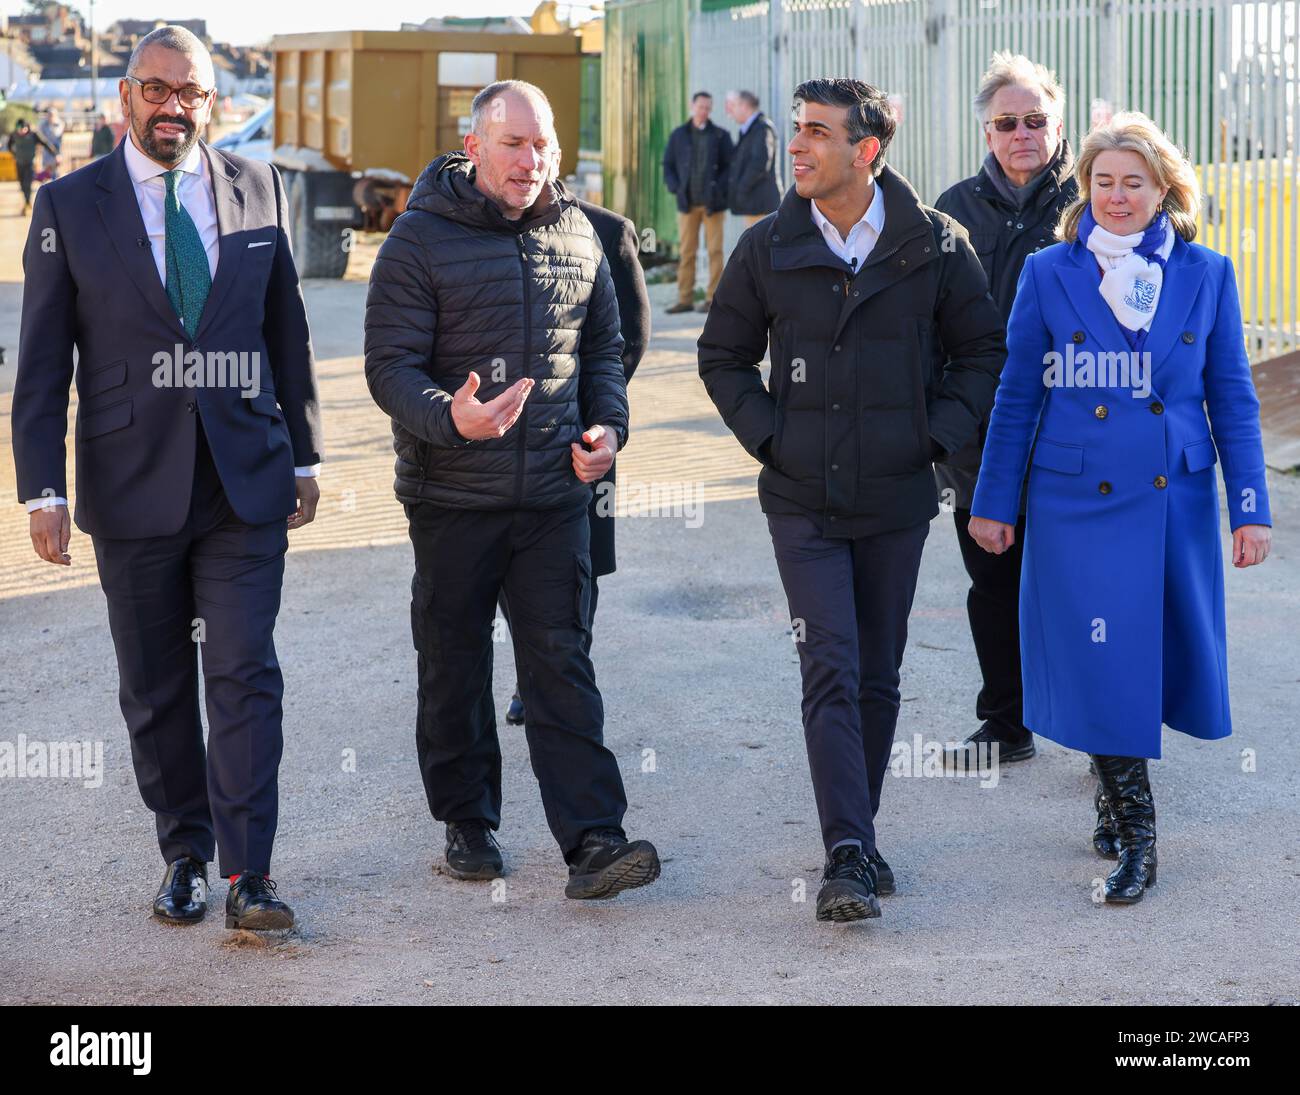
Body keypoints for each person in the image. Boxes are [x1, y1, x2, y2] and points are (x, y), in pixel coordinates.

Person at [11, 26, 323, 931]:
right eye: (156, 89)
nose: (172, 107)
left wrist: (304, 452)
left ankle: (248, 874)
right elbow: (42, 363)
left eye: (189, 93)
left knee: (243, 670)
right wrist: (44, 488)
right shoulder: (69, 204)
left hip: (243, 478)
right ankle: (185, 852)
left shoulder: (257, 187)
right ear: (125, 97)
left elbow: (286, 329)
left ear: (210, 102)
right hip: (131, 478)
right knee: (154, 683)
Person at [699, 78, 1005, 923]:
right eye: (795, 130)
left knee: (876, 672)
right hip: (800, 499)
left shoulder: (938, 245)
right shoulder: (767, 246)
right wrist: (773, 438)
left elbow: (981, 352)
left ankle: (858, 837)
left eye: (817, 133)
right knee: (828, 662)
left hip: (898, 497)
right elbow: (723, 355)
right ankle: (847, 853)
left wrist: (929, 439)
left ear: (866, 152)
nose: (796, 146)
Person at [364, 79, 660, 900]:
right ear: (473, 148)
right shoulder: (416, 241)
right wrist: (450, 417)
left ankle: (595, 839)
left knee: (561, 662)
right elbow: (388, 367)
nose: (532, 161)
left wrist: (609, 428)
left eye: (544, 145)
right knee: (454, 661)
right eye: (513, 144)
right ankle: (468, 819)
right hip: (452, 494)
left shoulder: (577, 232)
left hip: (555, 498)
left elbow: (604, 349)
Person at [968, 112, 1272, 904]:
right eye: (1102, 182)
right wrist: (993, 500)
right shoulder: (1048, 272)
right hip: (1072, 499)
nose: (1116, 196)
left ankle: (1112, 791)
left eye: (1132, 182)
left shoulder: (1206, 273)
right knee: (1100, 654)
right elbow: (1016, 396)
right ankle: (1140, 833)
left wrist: (1251, 506)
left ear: (1164, 189)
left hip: (1170, 497)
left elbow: (1232, 398)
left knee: (1144, 654)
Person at [933, 52, 1077, 769]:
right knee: (993, 585)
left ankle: (1098, 735)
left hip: (1076, 437)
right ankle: (1006, 723)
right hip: (978, 439)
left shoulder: (1094, 198)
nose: (1022, 133)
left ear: (1059, 123)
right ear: (988, 132)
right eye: (1006, 122)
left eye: (1035, 120)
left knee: (1083, 591)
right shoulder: (950, 210)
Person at [503, 145, 651, 727]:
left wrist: (590, 412)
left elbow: (628, 340)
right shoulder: (482, 231)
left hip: (581, 437)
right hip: (503, 437)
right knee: (512, 567)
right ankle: (528, 670)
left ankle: (559, 675)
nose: (530, 160)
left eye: (541, 147)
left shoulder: (608, 231)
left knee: (577, 566)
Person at [663, 91, 732, 314]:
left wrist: (719, 190)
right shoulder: (678, 135)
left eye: (708, 108)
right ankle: (685, 299)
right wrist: (675, 187)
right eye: (700, 107)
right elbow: (668, 165)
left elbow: (729, 168)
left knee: (715, 252)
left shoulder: (721, 136)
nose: (704, 111)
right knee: (687, 252)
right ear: (692, 106)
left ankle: (714, 299)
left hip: (713, 206)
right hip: (687, 204)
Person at [725, 90, 781, 226]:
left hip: (761, 205)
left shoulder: (762, 128)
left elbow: (760, 164)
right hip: (754, 203)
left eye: (734, 106)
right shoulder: (751, 129)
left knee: (759, 246)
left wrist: (741, 189)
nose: (730, 111)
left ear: (744, 106)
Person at [6, 119, 57, 214]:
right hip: (19, 163)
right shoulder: (14, 135)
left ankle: (27, 202)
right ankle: (27, 200)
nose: (20, 131)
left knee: (27, 183)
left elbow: (45, 143)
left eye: (22, 129)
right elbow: (9, 145)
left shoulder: (34, 135)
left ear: (27, 127)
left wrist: (55, 153)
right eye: (18, 129)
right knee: (22, 184)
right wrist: (14, 154)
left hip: (30, 163)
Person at [38, 108, 64, 180]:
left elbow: (58, 139)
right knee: (47, 170)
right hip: (47, 151)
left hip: (56, 150)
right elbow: (41, 138)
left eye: (52, 115)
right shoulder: (43, 125)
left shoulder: (59, 124)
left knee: (55, 171)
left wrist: (58, 154)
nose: (50, 116)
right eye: (49, 115)